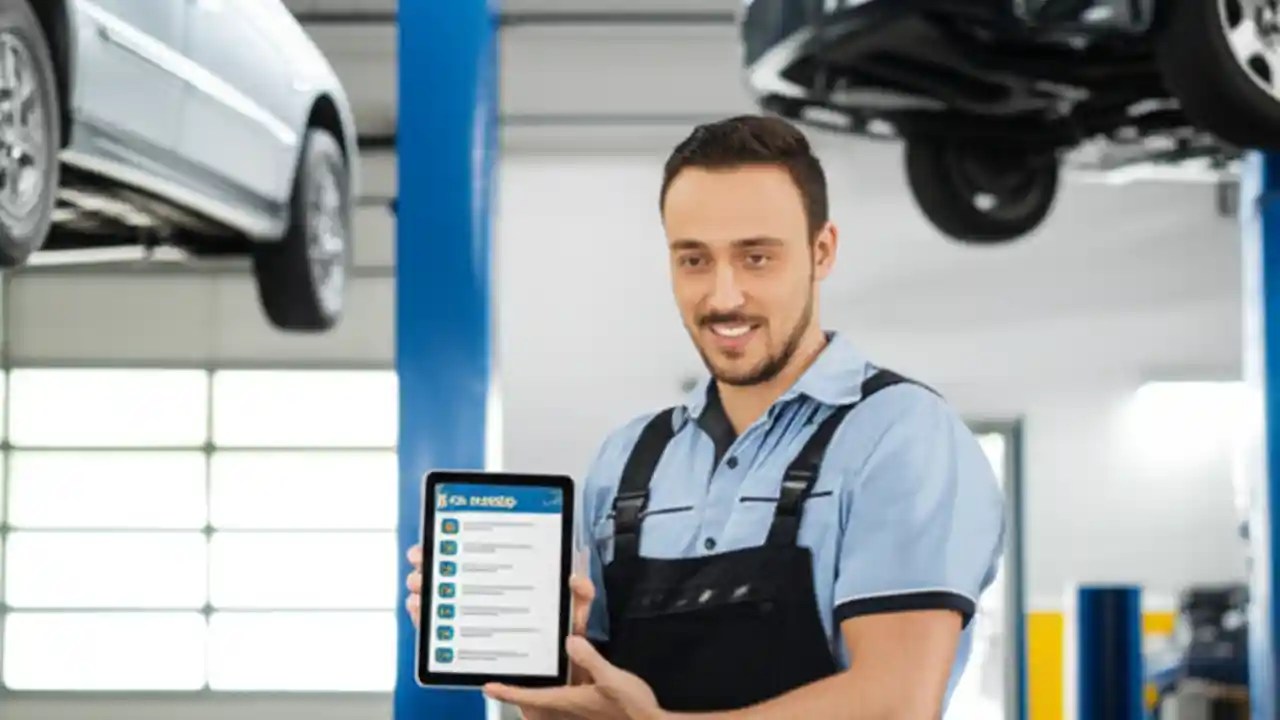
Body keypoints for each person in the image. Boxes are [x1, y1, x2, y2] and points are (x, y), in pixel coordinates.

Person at [406, 115, 1006, 719]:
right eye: (694, 260)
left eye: (756, 258)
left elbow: (893, 705)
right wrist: (524, 640)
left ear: (821, 252)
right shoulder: (627, 460)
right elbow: (594, 709)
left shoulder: (900, 436)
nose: (723, 297)